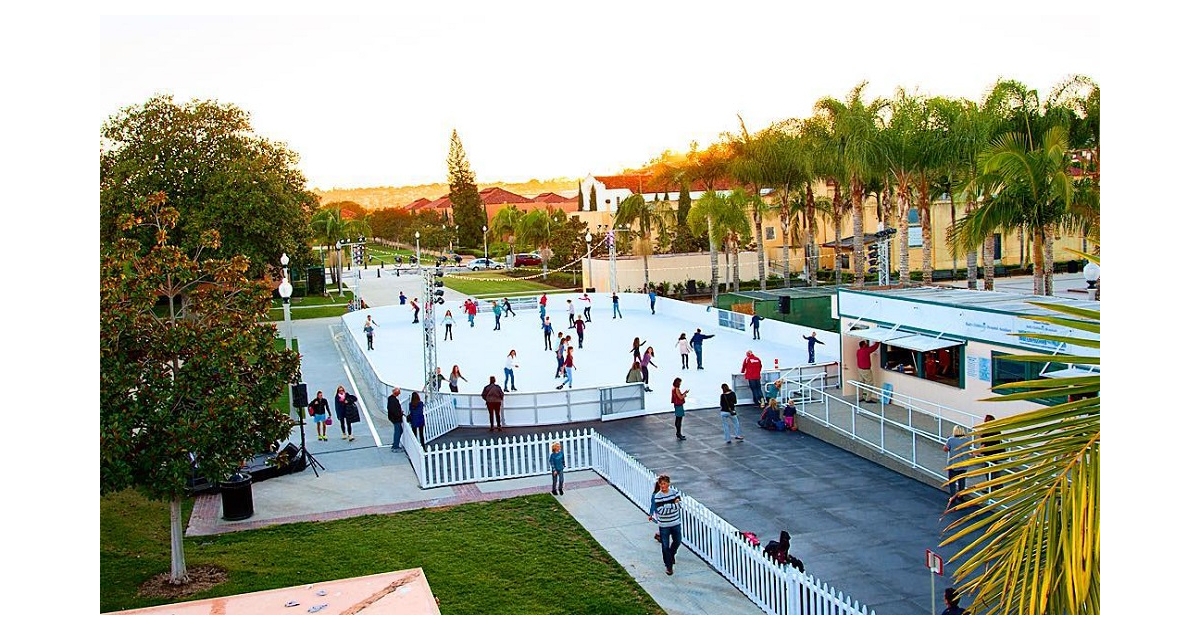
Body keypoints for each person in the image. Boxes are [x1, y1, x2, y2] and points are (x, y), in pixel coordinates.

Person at [647, 474, 683, 575]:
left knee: (677, 541)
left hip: (675, 523)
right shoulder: (657, 496)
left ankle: (671, 555)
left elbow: (680, 505)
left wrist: (668, 505)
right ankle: (669, 566)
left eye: (664, 483)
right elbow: (661, 511)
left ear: (668, 483)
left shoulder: (675, 492)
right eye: (661, 484)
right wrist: (673, 505)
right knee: (665, 546)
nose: (663, 486)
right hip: (664, 525)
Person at [944, 425, 971, 508]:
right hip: (963, 463)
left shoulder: (951, 440)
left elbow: (945, 449)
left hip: (953, 464)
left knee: (952, 482)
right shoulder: (967, 440)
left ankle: (953, 497)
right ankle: (961, 496)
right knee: (962, 481)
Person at [387, 387, 405, 452]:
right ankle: (395, 446)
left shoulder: (390, 399)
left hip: (393, 418)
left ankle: (395, 443)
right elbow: (394, 410)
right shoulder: (394, 400)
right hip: (396, 418)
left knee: (399, 430)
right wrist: (400, 414)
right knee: (398, 431)